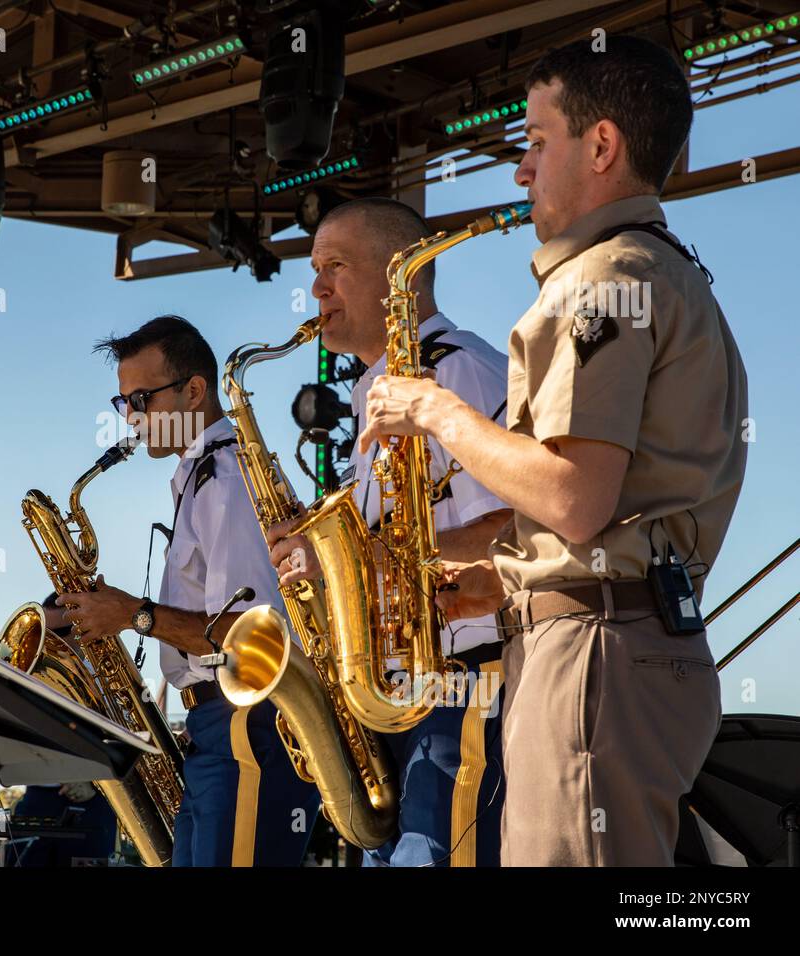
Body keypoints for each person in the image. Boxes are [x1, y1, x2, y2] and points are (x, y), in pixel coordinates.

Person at [359, 36, 746, 866]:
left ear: (601, 145)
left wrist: (433, 407)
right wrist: (502, 579)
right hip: (625, 650)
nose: (520, 172)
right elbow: (625, 507)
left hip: (593, 664)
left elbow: (575, 497)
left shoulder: (600, 280)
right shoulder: (664, 270)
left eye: (536, 143)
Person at [265, 196, 512, 866]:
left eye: (335, 267)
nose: (315, 287)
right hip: (396, 697)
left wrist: (356, 560)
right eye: (314, 269)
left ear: (396, 272)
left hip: (458, 682)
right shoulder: (378, 386)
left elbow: (516, 528)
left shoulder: (457, 369)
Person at [58, 315, 321, 867]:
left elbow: (255, 639)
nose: (131, 417)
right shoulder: (202, 476)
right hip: (217, 729)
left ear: (194, 391)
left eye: (142, 399)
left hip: (246, 727)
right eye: (122, 402)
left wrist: (135, 615)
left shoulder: (225, 478)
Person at [3, 593, 119, 867]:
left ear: (82, 630)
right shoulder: (29, 674)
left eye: (61, 633)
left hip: (95, 800)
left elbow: (126, 740)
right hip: (37, 798)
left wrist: (93, 781)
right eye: (45, 633)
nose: (48, 644)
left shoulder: (110, 680)